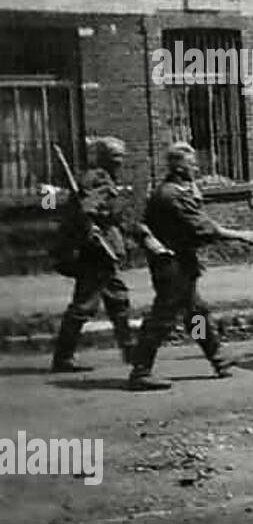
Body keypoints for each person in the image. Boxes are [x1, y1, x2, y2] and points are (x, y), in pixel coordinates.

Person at [127, 143, 253, 391]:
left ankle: (217, 358)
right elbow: (203, 228)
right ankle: (140, 371)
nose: (196, 167)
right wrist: (243, 235)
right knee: (162, 319)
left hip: (180, 262)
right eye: (191, 163)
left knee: (196, 313)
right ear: (177, 166)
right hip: (171, 265)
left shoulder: (177, 190)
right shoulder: (171, 195)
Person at [50, 137, 160, 372]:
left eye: (121, 157)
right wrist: (99, 215)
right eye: (115, 158)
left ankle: (129, 350)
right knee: (84, 306)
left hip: (106, 252)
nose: (120, 162)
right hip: (97, 252)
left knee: (117, 300)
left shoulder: (108, 179)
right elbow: (88, 208)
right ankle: (63, 357)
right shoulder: (95, 179)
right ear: (104, 158)